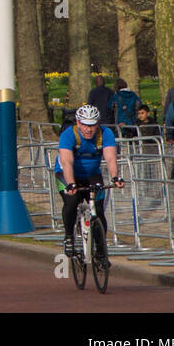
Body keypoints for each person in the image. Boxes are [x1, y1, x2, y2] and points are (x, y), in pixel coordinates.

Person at [54, 104, 122, 259]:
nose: (89, 129)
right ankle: (69, 237)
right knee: (71, 202)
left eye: (92, 125)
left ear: (98, 124)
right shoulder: (68, 134)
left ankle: (100, 250)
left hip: (92, 173)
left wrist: (115, 177)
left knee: (98, 210)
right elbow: (66, 162)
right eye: (85, 125)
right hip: (67, 173)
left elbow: (111, 158)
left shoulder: (105, 133)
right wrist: (71, 183)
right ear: (78, 122)